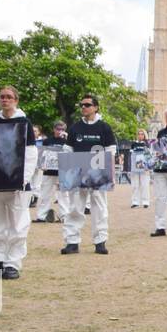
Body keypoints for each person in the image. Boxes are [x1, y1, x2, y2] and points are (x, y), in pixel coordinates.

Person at [0, 86, 37, 280]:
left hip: (18, 184)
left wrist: (23, 179)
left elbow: (30, 154)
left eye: (9, 97)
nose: (5, 100)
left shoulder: (24, 123)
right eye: (2, 97)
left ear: (16, 100)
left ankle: (12, 263)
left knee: (18, 223)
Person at [61, 94, 117, 254]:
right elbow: (68, 151)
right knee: (75, 208)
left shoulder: (104, 127)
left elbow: (111, 151)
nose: (84, 108)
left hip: (98, 173)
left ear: (96, 107)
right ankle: (72, 241)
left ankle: (100, 241)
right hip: (77, 172)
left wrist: (110, 174)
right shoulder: (75, 128)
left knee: (99, 207)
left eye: (87, 105)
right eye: (82, 105)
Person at [34, 122, 69, 223]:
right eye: (57, 129)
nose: (59, 131)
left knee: (63, 195)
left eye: (62, 129)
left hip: (62, 172)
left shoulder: (67, 141)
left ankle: (65, 216)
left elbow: (70, 155)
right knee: (45, 194)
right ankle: (41, 216)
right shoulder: (47, 141)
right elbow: (42, 155)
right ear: (54, 129)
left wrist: (67, 139)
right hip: (48, 172)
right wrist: (41, 165)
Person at [129, 129, 151, 209]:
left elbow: (148, 156)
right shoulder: (133, 144)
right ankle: (135, 202)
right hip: (135, 167)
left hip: (144, 167)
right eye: (139, 134)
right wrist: (130, 167)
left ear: (144, 135)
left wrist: (148, 167)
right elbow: (131, 156)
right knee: (135, 185)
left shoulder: (147, 144)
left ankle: (146, 202)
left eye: (142, 134)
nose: (140, 136)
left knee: (145, 185)